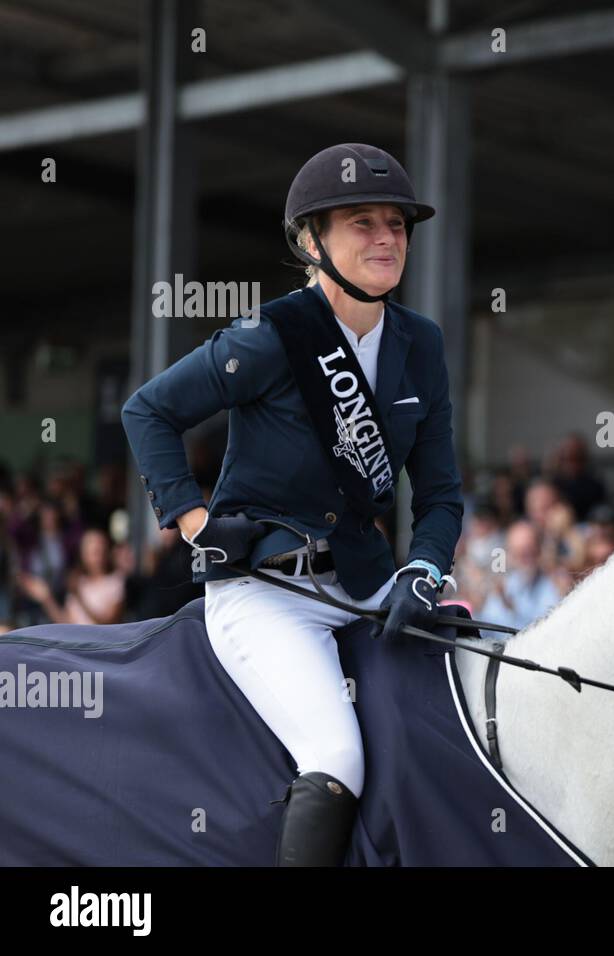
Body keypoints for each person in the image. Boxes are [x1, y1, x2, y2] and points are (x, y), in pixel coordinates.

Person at [121, 144, 464, 865]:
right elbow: (148, 411)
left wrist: (424, 572)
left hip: (366, 585)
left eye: (397, 225)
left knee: (455, 717)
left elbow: (438, 497)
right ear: (313, 242)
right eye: (363, 223)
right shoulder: (271, 335)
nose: (386, 238)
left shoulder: (421, 344)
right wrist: (194, 523)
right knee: (337, 754)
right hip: (265, 593)